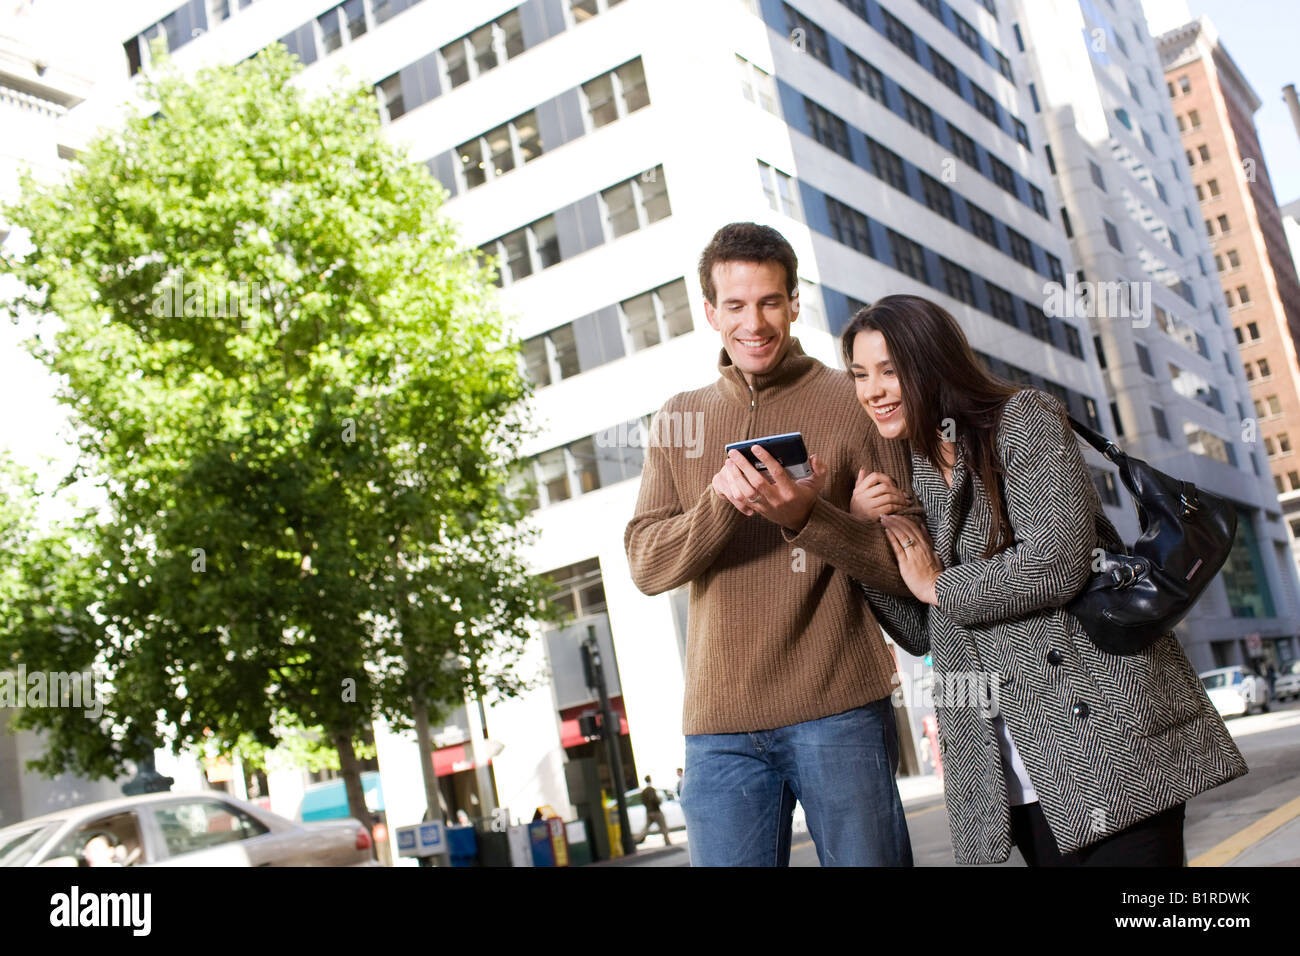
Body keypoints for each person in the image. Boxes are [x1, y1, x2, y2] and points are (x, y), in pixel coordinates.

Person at [842, 294, 1249, 866]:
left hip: (1103, 741)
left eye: (890, 370)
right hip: (1010, 768)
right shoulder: (909, 474)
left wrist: (941, 585)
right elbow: (921, 628)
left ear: (932, 362)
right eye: (861, 375)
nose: (873, 391)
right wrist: (864, 536)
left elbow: (1056, 563)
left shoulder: (1022, 419)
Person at [625, 222, 921, 866]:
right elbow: (647, 566)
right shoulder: (679, 416)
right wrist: (722, 503)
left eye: (769, 302)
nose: (753, 322)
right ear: (710, 312)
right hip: (719, 727)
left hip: (839, 705)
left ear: (793, 303)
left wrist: (812, 516)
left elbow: (913, 570)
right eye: (734, 305)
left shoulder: (853, 401)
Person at [639, 776, 672, 845]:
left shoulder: (644, 791)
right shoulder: (651, 789)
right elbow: (654, 799)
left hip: (649, 812)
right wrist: (659, 801)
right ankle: (667, 841)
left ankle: (636, 839)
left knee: (646, 828)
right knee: (663, 827)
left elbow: (643, 801)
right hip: (656, 811)